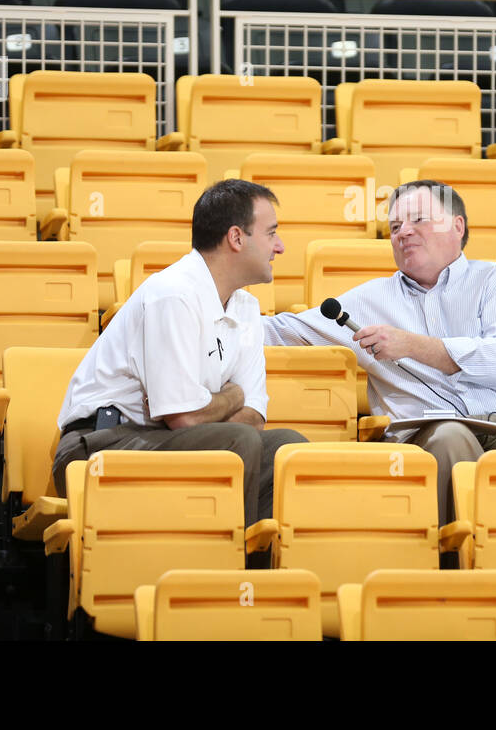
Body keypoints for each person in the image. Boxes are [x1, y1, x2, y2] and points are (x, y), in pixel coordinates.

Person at [262, 179, 496, 524]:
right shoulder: (369, 300)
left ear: (457, 225)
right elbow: (281, 331)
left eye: (418, 220)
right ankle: (455, 559)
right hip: (430, 436)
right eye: (395, 226)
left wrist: (410, 345)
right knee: (451, 436)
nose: (403, 232)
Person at [52, 179, 307, 527]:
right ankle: (230, 568)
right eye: (271, 233)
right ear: (236, 238)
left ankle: (259, 568)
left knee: (287, 448)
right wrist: (232, 395)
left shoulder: (247, 306)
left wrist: (205, 408)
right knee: (238, 441)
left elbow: (255, 416)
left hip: (164, 436)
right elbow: (186, 418)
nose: (279, 246)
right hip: (97, 444)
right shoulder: (173, 293)